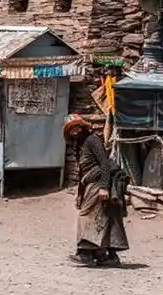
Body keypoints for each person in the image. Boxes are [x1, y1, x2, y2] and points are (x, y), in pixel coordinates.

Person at [63, 114, 129, 266]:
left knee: (86, 216)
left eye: (77, 126)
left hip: (99, 182)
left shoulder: (92, 140)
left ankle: (85, 253)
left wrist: (104, 187)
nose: (75, 130)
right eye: (72, 128)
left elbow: (104, 164)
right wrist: (80, 194)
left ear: (83, 127)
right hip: (91, 183)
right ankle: (104, 255)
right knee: (106, 217)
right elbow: (82, 173)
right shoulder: (79, 145)